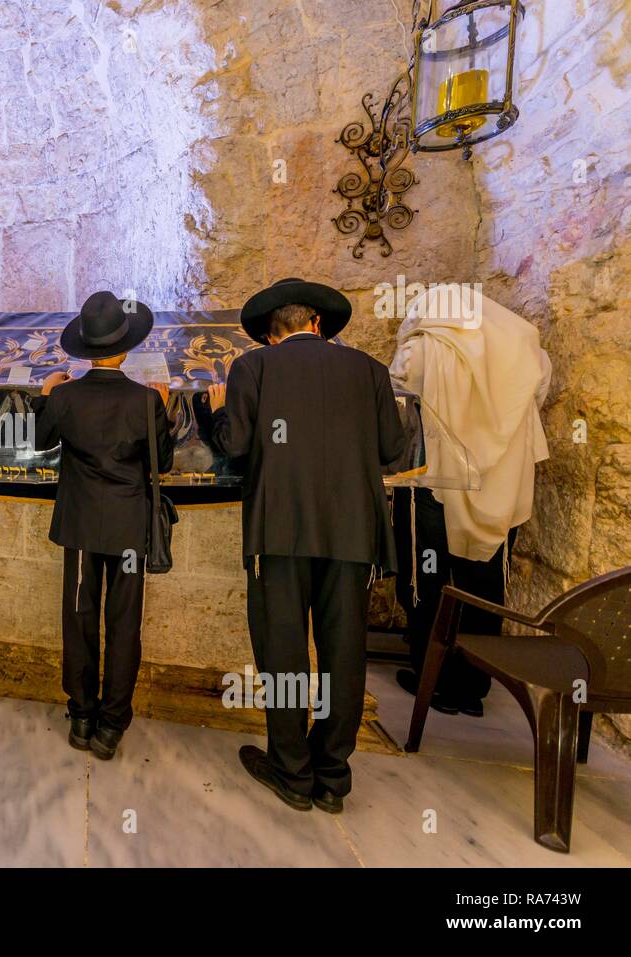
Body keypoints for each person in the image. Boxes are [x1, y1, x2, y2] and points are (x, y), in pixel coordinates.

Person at [208, 278, 405, 814]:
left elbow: (236, 446)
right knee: (345, 653)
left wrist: (215, 411)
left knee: (284, 652)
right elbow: (394, 448)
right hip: (353, 533)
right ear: (317, 323)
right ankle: (332, 775)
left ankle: (291, 769)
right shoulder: (369, 370)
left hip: (280, 533)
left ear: (270, 335)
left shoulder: (253, 368)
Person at [388, 289, 551, 716]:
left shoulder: (420, 349)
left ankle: (431, 677)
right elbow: (535, 400)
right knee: (485, 585)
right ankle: (474, 684)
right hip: (501, 486)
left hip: (432, 485)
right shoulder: (525, 349)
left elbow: (398, 408)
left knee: (427, 581)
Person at [33, 291, 174, 761]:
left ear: (85, 349)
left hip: (79, 527)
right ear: (125, 347)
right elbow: (165, 464)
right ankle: (112, 724)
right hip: (129, 528)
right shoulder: (146, 400)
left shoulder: (67, 396)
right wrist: (164, 412)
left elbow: (41, 441)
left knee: (79, 618)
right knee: (123, 622)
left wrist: (46, 394)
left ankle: (81, 715)